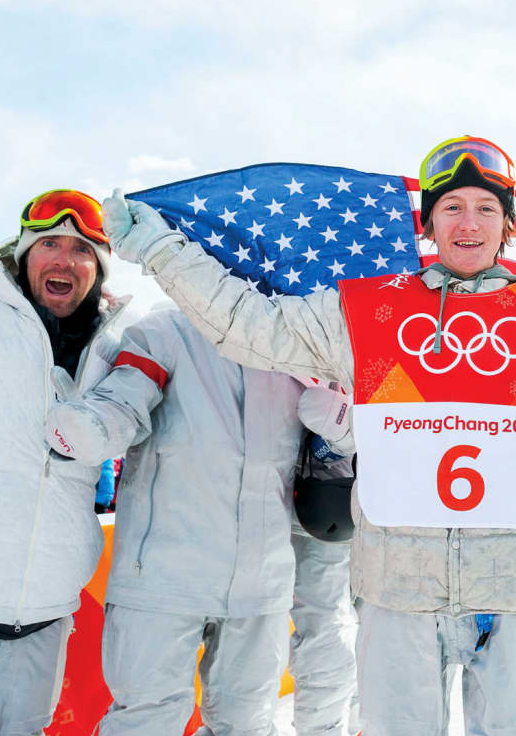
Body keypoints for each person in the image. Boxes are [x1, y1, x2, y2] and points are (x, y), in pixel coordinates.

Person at [100, 136, 516, 736]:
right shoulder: (372, 311)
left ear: (508, 223)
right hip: (402, 588)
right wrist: (156, 245)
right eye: (451, 208)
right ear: (427, 222)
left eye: (486, 207)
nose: (469, 223)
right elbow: (251, 327)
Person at [45, 302, 354, 736]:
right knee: (148, 719)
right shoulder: (166, 329)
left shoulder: (294, 341)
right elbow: (124, 400)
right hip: (165, 578)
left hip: (260, 585)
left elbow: (344, 441)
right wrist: (92, 426)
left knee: (246, 725)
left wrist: (344, 421)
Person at [0, 189, 131, 735]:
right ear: (22, 254)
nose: (63, 257)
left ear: (96, 268)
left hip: (43, 615)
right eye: (49, 242)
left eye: (81, 249)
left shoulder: (114, 345)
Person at [289, 390, 360, 736]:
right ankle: (334, 726)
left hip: (335, 502)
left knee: (332, 624)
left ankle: (343, 725)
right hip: (326, 502)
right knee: (334, 624)